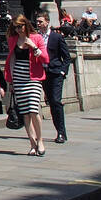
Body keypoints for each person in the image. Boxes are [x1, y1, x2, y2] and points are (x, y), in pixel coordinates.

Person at [6, 14, 50, 156]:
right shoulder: (13, 39)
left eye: (20, 26)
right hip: (18, 78)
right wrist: (10, 81)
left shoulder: (36, 38)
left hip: (34, 77)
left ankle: (40, 140)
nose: (18, 30)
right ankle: (32, 143)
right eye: (16, 27)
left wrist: (34, 47)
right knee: (25, 112)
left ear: (26, 25)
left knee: (33, 110)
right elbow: (11, 60)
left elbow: (46, 58)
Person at [34, 13, 71, 143]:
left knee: (56, 101)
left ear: (47, 22)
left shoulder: (56, 37)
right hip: (42, 73)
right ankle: (59, 130)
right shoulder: (36, 37)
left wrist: (62, 72)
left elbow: (66, 57)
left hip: (55, 72)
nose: (38, 24)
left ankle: (61, 132)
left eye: (40, 21)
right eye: (37, 22)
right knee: (50, 101)